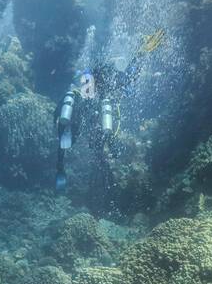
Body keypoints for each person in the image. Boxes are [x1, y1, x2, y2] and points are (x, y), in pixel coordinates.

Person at [53, 28, 166, 202]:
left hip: (86, 111)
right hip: (98, 115)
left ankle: (61, 168)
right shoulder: (110, 81)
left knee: (70, 140)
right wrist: (141, 55)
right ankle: (106, 191)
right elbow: (129, 79)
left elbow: (66, 110)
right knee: (101, 146)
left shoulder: (88, 78)